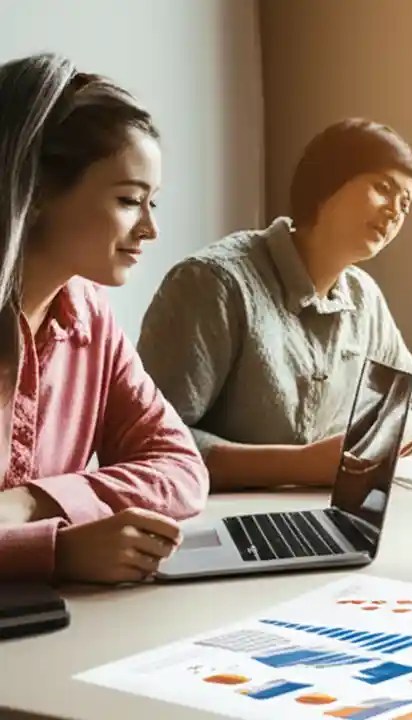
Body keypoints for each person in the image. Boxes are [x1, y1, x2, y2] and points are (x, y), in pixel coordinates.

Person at [138, 119, 412, 491]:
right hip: (213, 520)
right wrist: (301, 466)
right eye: (384, 188)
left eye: (405, 204)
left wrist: (386, 437)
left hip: (318, 514)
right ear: (327, 181)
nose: (395, 211)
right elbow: (150, 444)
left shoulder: (364, 297)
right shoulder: (213, 283)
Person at [0, 54, 209, 584]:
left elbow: (181, 469)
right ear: (39, 189)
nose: (149, 230)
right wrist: (55, 553)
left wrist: (35, 503)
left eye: (152, 203)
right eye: (128, 200)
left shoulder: (90, 314)